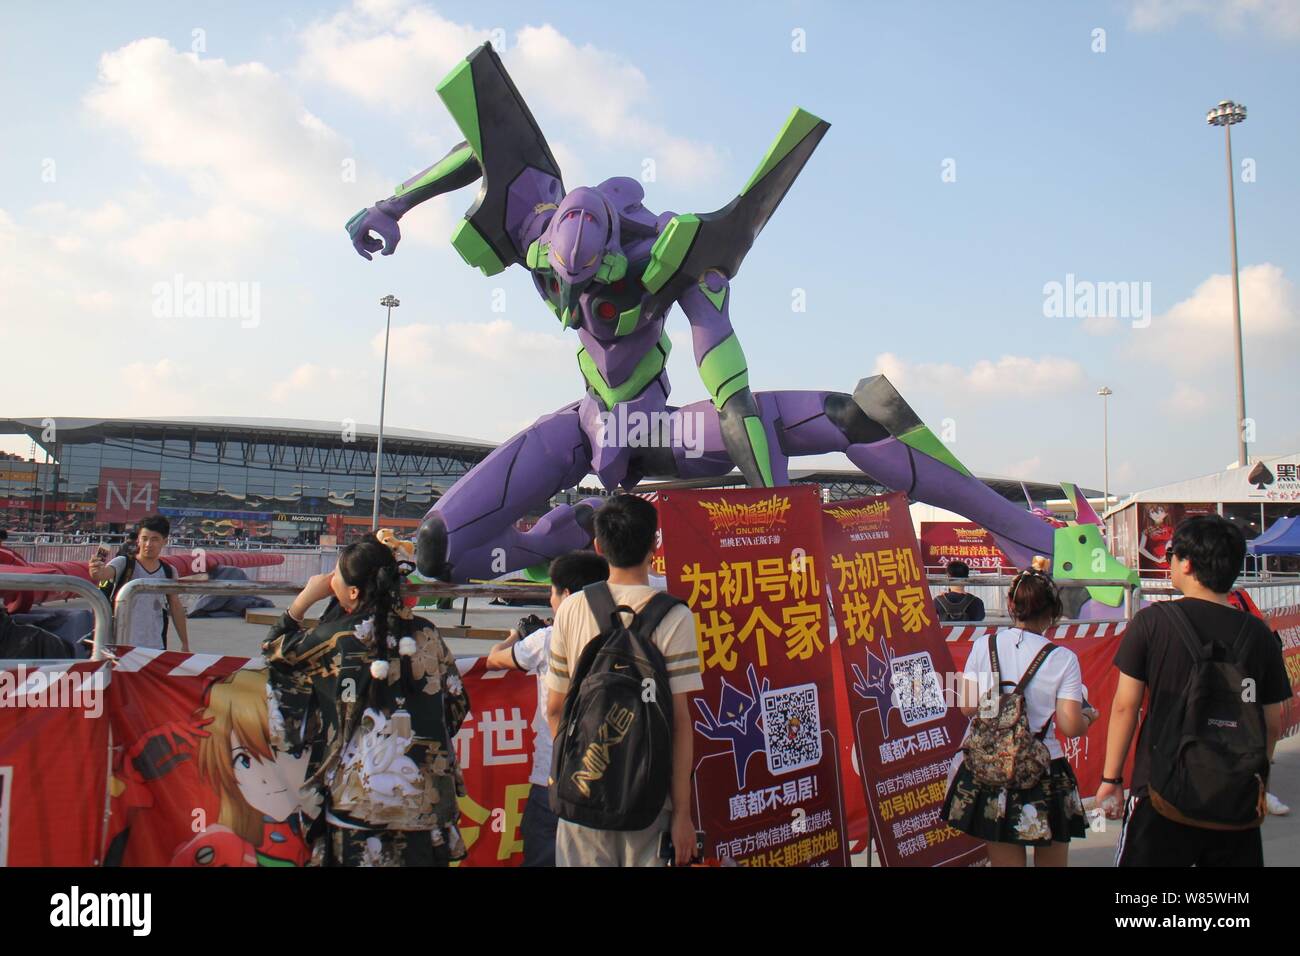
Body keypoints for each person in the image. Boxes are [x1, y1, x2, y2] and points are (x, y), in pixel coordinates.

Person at [262, 534, 469, 866]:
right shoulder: (428, 634)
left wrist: (305, 599)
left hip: (357, 805)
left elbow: (275, 654)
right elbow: (456, 707)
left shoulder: (334, 639)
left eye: (336, 576)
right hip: (425, 805)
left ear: (353, 591)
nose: (331, 581)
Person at [1099, 515, 1293, 866]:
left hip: (1161, 791)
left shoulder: (1152, 623)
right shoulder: (1260, 635)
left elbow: (1125, 707)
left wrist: (1111, 778)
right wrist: (1249, 773)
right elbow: (1273, 721)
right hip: (1235, 798)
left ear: (1186, 563)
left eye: (1172, 553)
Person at [544, 495, 703, 866]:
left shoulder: (570, 607)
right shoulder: (674, 615)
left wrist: (575, 771)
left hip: (581, 795)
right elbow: (680, 724)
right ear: (655, 544)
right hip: (648, 801)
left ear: (598, 547)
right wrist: (682, 814)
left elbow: (554, 708)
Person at [942, 558, 1096, 866]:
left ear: (1012, 607)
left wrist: (1003, 707)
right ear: (1054, 611)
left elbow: (968, 707)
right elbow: (1069, 725)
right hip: (1045, 769)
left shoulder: (984, 646)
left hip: (992, 770)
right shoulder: (1062, 658)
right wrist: (1090, 717)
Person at [484, 549, 610, 866]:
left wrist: (517, 633)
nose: (551, 599)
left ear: (566, 594)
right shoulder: (627, 632)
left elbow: (494, 658)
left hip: (554, 777)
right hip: (614, 776)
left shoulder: (547, 638)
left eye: (552, 592)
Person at [88, 514, 190, 652]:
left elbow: (176, 606)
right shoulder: (123, 563)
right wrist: (95, 570)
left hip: (155, 646)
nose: (148, 544)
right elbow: (102, 575)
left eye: (154, 539)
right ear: (138, 540)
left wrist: (184, 643)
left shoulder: (169, 571)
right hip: (120, 644)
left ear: (164, 541)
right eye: (144, 538)